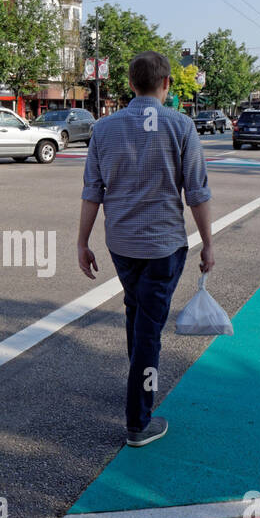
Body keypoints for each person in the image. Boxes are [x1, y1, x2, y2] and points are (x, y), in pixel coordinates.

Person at [77, 51, 214, 448]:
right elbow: (197, 192)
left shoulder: (104, 129)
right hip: (165, 246)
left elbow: (92, 192)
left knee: (136, 311)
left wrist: (82, 242)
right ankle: (139, 420)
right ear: (167, 84)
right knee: (149, 328)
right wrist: (208, 242)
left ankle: (136, 383)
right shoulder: (182, 125)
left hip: (121, 243)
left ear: (131, 84)